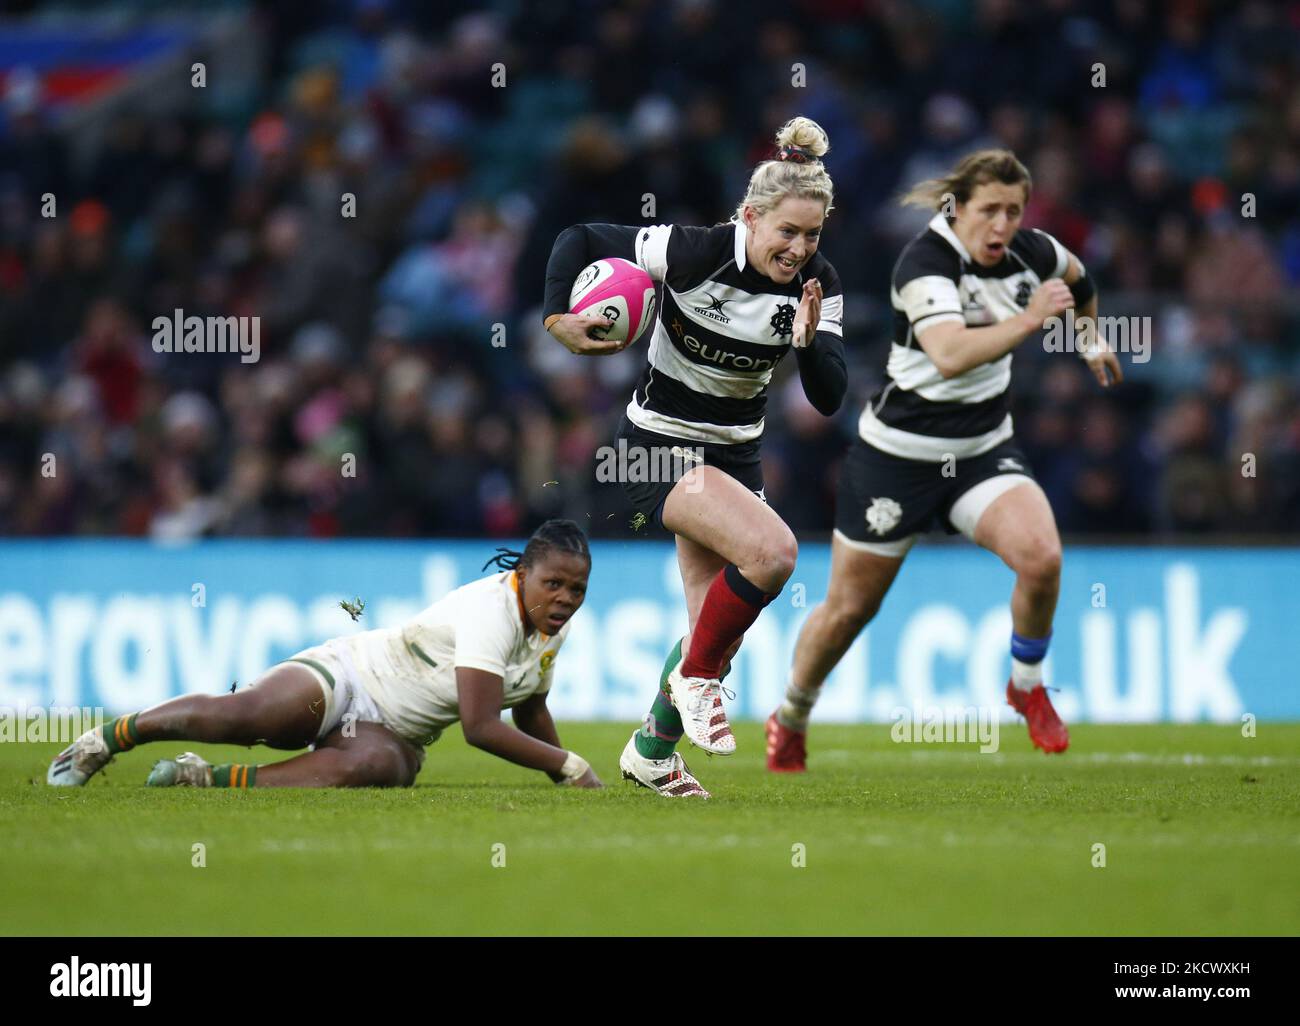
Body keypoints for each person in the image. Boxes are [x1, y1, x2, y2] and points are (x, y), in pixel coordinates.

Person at [766, 149, 1124, 770]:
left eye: (1013, 211)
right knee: (850, 609)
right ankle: (793, 712)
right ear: (958, 208)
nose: (1001, 225)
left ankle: (1027, 684)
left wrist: (1089, 339)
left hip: (982, 450)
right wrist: (1036, 318)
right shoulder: (923, 263)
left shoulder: (1032, 252)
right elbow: (951, 353)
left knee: (1042, 559)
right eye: (989, 210)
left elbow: (1080, 280)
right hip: (897, 458)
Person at [543, 117, 848, 798]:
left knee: (715, 627)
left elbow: (830, 397)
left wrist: (805, 346)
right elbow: (580, 238)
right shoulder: (692, 250)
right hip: (656, 446)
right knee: (773, 555)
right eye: (787, 232)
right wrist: (555, 319)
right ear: (750, 217)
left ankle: (653, 750)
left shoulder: (818, 286)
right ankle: (695, 681)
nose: (799, 249)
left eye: (813, 235)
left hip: (735, 457)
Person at [48, 520, 602, 789]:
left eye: (576, 590)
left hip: (395, 731)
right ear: (522, 575)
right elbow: (481, 727)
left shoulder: (551, 630)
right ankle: (107, 739)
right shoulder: (492, 611)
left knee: (381, 769)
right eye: (553, 584)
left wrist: (565, 781)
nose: (565, 600)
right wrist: (569, 764)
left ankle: (206, 780)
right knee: (253, 718)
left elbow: (529, 708)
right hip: (351, 675)